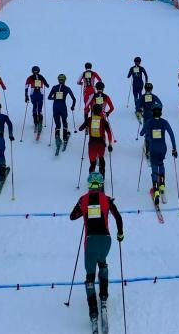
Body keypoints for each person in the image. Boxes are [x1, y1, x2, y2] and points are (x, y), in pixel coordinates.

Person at [69, 172, 124, 330]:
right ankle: (104, 297)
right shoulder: (107, 199)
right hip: (106, 240)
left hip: (90, 241)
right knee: (103, 263)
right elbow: (118, 218)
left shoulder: (83, 199)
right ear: (100, 185)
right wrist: (120, 234)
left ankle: (93, 310)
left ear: (88, 185)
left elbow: (72, 216)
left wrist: (84, 211)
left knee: (90, 276)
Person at [139, 104, 178, 205]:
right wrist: (174, 148)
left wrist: (147, 130)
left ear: (152, 112)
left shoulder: (149, 122)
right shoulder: (164, 122)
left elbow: (141, 133)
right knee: (161, 164)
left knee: (154, 168)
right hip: (162, 148)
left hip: (153, 149)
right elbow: (172, 134)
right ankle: (162, 185)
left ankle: (156, 190)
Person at [79, 104, 114, 175]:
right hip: (101, 143)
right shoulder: (104, 121)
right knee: (101, 159)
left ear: (93, 111)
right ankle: (102, 175)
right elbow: (109, 133)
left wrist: (86, 126)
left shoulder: (89, 119)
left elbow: (80, 128)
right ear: (101, 111)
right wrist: (110, 144)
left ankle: (92, 176)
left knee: (92, 162)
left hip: (92, 144)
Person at [48, 74, 77, 153]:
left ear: (58, 80)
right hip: (63, 108)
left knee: (57, 125)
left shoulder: (54, 87)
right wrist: (72, 107)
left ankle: (57, 140)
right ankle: (65, 138)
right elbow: (74, 99)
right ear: (65, 80)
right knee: (64, 123)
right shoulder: (67, 88)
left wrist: (55, 98)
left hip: (55, 108)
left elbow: (49, 97)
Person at [24, 66, 50, 136]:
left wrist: (46, 84)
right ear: (32, 71)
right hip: (34, 94)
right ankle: (36, 121)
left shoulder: (39, 77)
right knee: (35, 106)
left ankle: (39, 121)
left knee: (39, 107)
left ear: (38, 71)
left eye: (36, 71)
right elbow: (26, 86)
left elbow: (47, 85)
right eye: (34, 71)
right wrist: (25, 96)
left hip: (38, 93)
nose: (35, 72)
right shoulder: (31, 77)